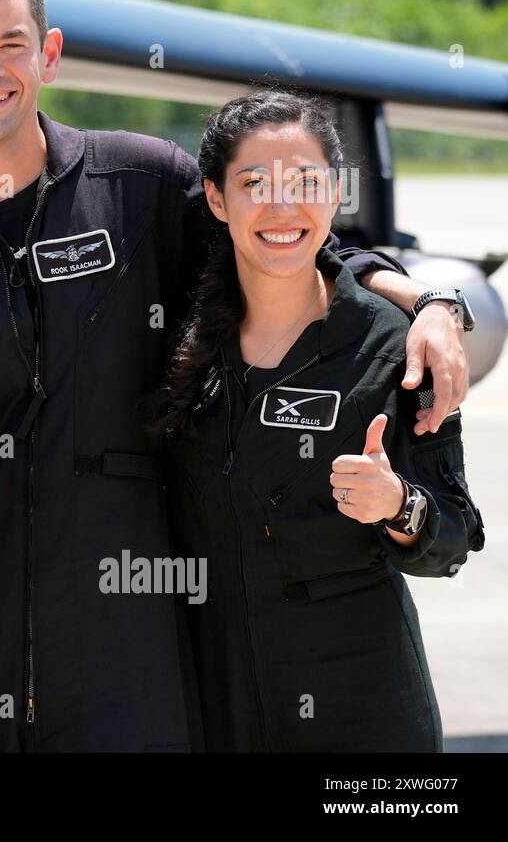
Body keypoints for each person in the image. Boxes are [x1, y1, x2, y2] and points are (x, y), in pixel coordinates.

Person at [0, 0, 471, 751]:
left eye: (12, 43)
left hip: (125, 642)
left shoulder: (142, 187)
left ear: (48, 55)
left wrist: (427, 297)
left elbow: (276, 240)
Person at [149, 89, 484, 751]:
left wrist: (398, 504)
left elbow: (455, 533)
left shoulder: (396, 347)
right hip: (215, 705)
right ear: (217, 200)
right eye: (254, 183)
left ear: (335, 194)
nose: (283, 206)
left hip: (361, 711)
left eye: (306, 181)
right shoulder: (181, 336)